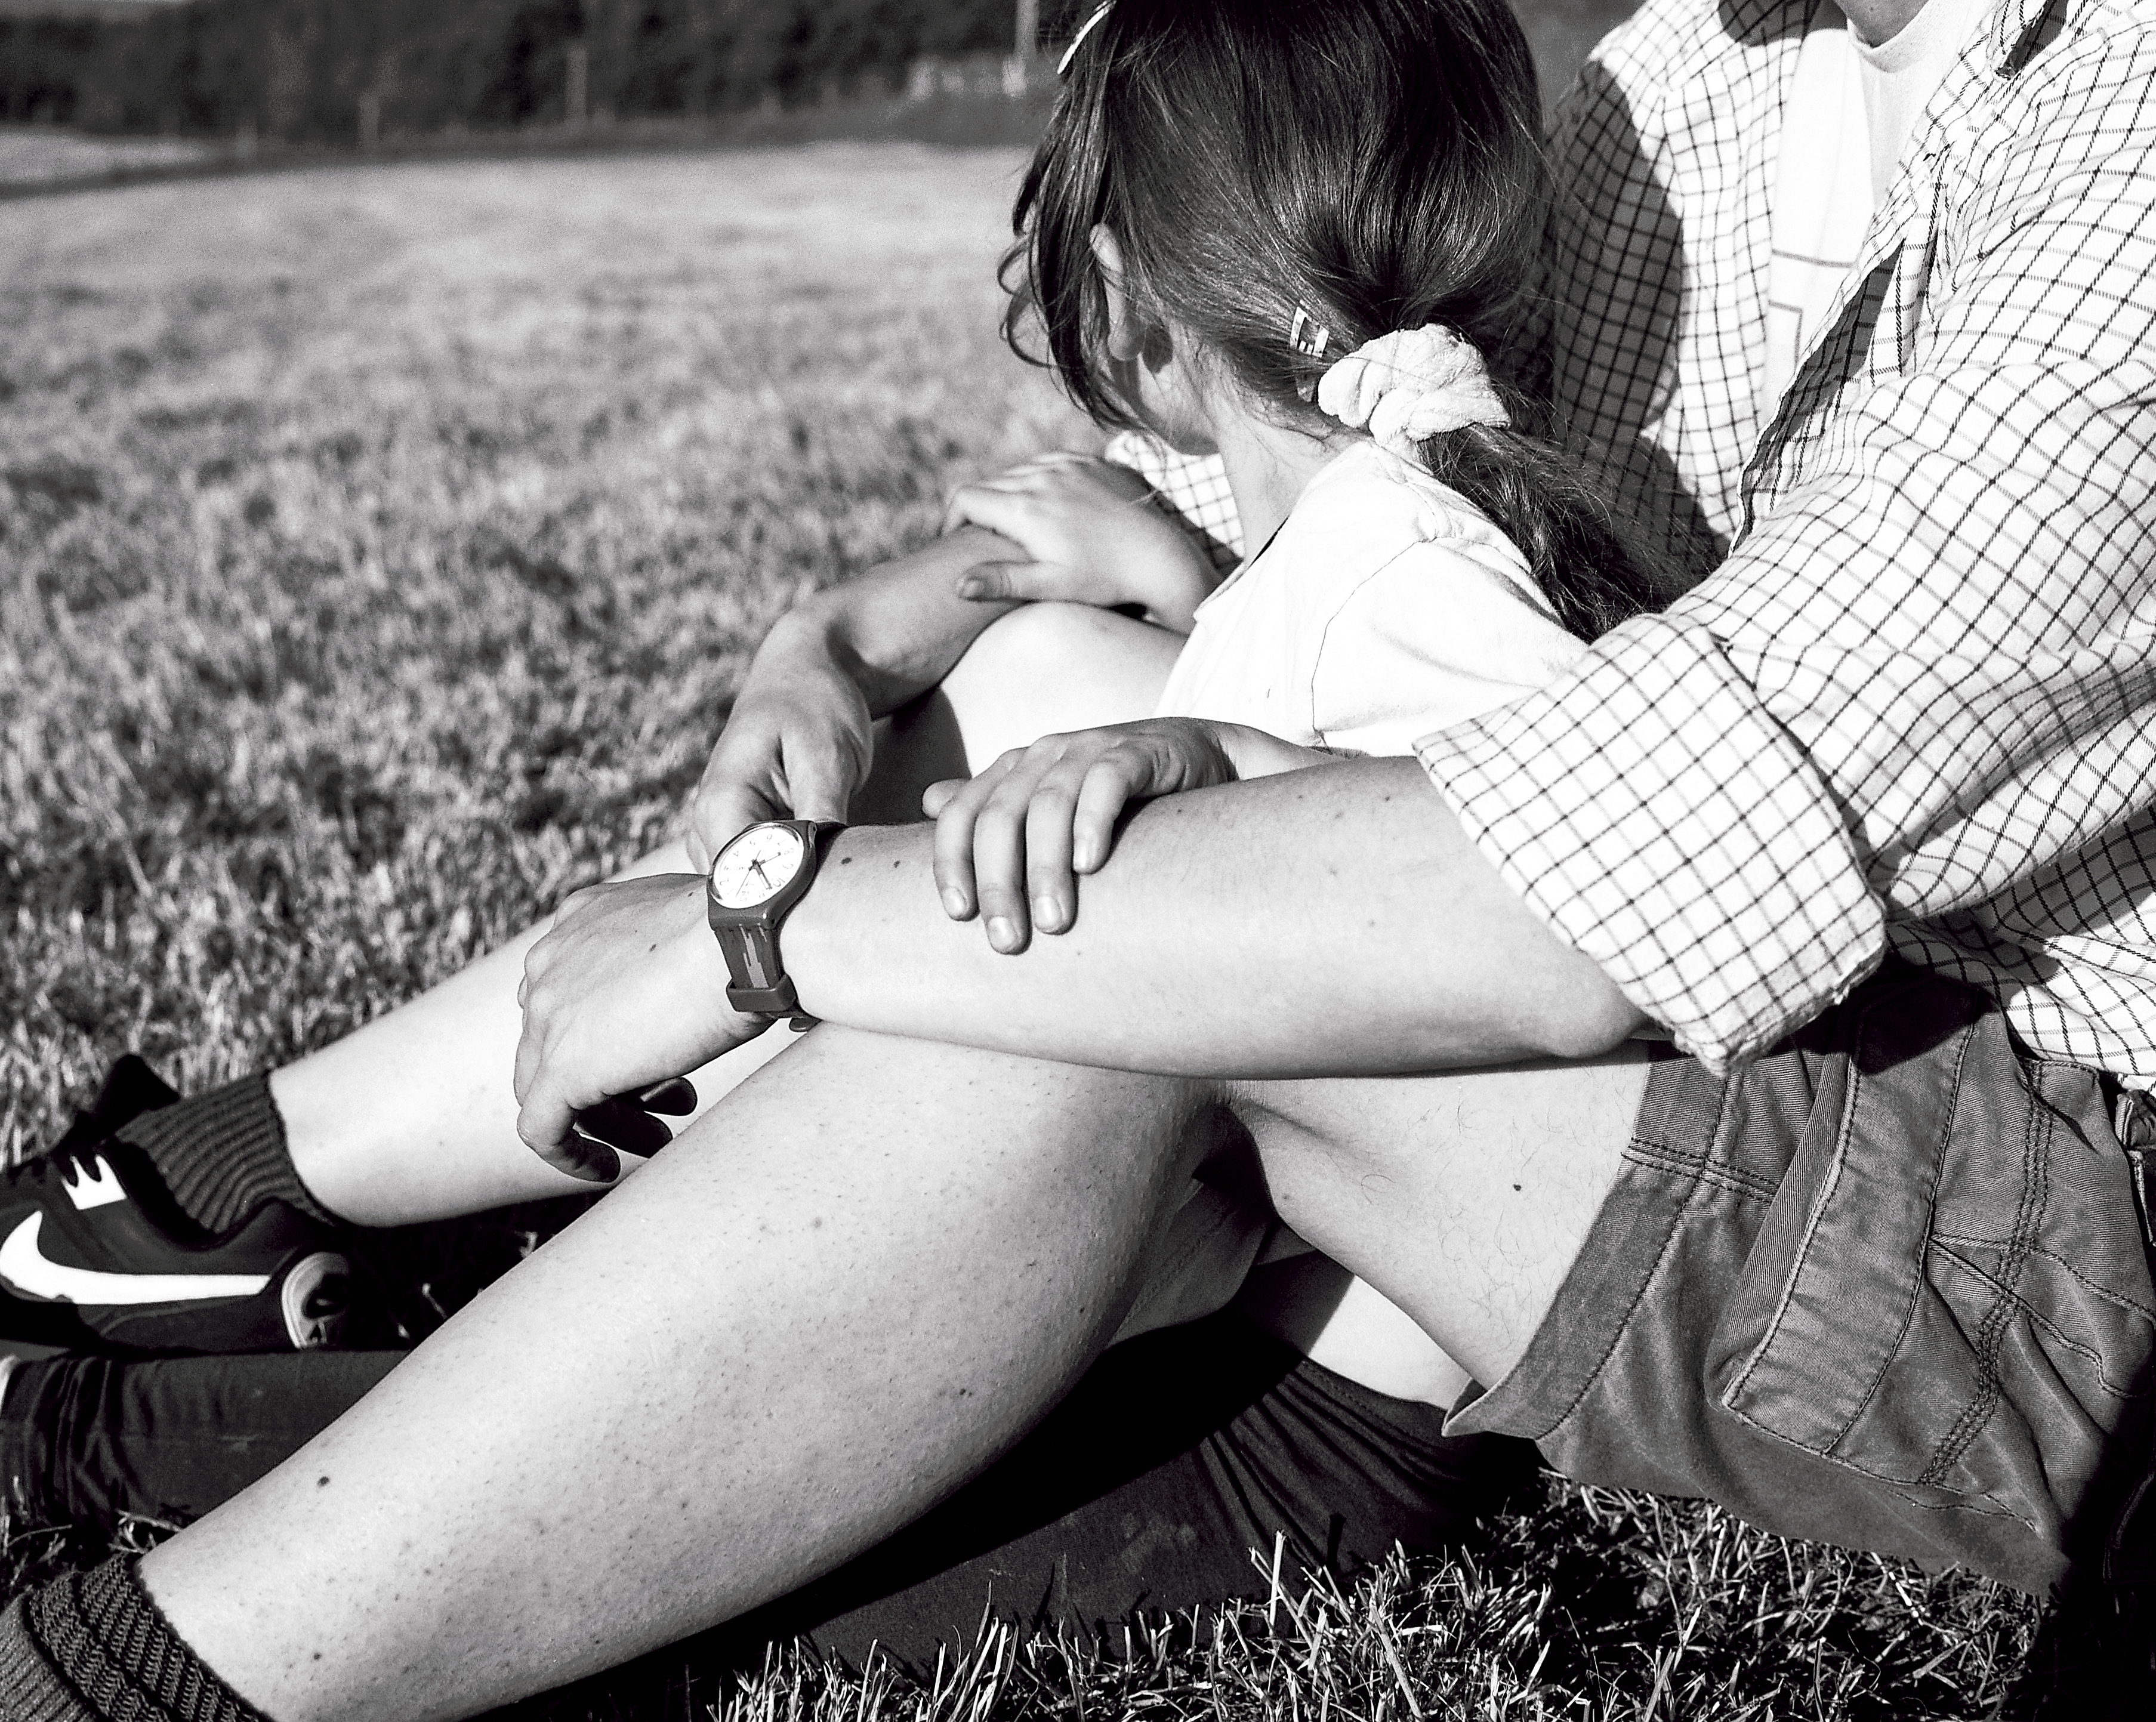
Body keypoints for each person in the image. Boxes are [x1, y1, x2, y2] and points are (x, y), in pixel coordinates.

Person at [4, 0, 2154, 1712]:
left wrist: (765, 932)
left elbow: (1559, 892)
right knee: (1059, 728)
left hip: (2057, 1198)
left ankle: (131, 1650)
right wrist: (846, 634)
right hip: (1743, 1020)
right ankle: (173, 1209)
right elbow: (1421, 514)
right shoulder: (1690, 82)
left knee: (1066, 925)